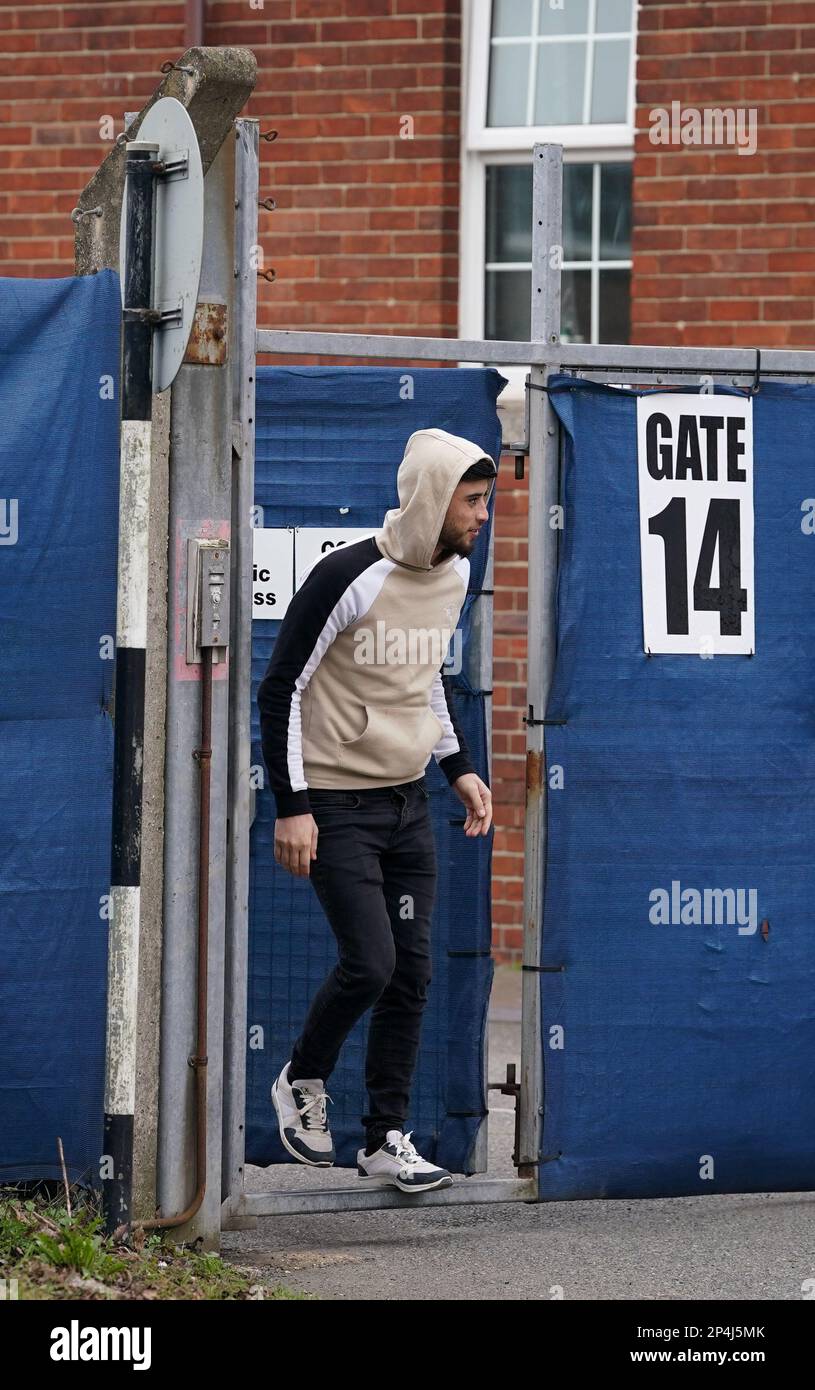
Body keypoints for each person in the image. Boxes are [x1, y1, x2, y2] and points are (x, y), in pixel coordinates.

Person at [257, 426, 495, 1194]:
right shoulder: (349, 576)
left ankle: (383, 1138)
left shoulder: (455, 576)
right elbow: (281, 687)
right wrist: (291, 807)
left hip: (406, 803)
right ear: (432, 499)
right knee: (371, 961)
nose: (481, 517)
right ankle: (303, 1077)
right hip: (333, 803)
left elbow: (425, 676)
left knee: (412, 973)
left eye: (486, 501)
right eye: (471, 501)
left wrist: (455, 766)